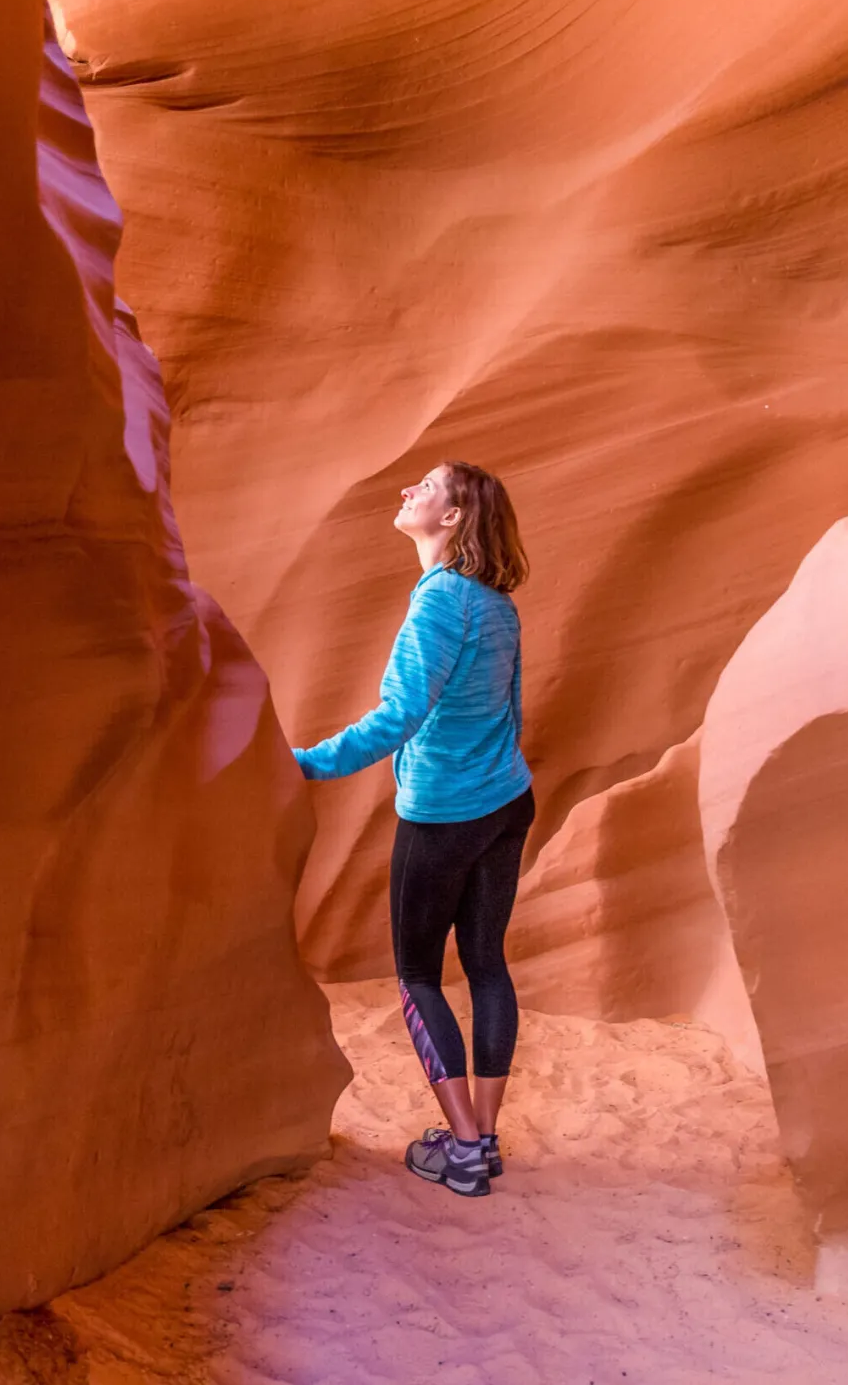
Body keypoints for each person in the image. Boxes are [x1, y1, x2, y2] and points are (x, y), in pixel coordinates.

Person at [293, 461, 534, 1198]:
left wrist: (299, 765)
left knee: (419, 976)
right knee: (487, 965)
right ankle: (484, 1137)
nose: (407, 492)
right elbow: (510, 711)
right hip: (506, 801)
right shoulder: (495, 605)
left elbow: (399, 716)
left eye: (425, 488)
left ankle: (460, 1150)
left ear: (455, 517)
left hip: (442, 816)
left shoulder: (438, 606)